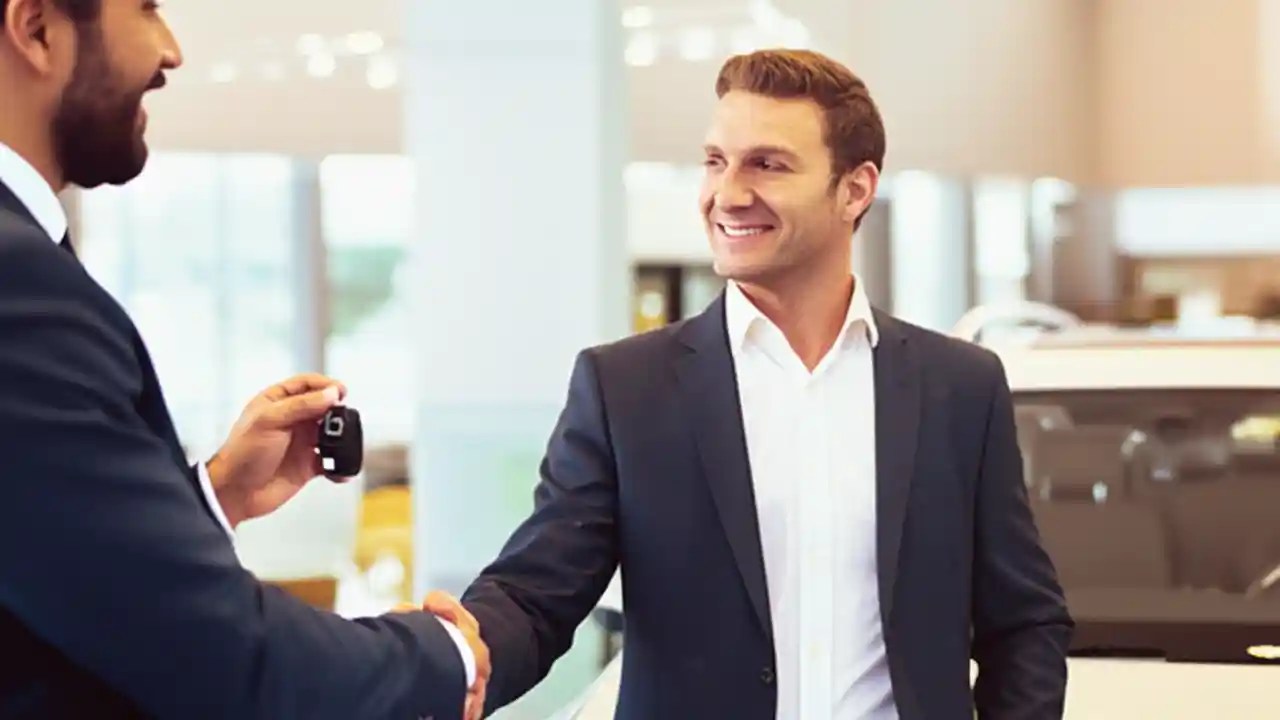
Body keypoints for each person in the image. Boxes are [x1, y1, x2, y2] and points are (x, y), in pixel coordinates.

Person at [426, 49, 1073, 719]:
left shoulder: (958, 388)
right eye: (715, 161)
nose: (727, 194)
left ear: (855, 189)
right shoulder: (627, 389)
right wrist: (455, 656)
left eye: (767, 164)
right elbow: (537, 594)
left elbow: (1023, 622)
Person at [0, 0, 488, 717]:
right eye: (146, 8)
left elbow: (49, 571)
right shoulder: (22, 288)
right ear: (37, 28)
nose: (171, 51)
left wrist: (214, 494)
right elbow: (218, 657)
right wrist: (440, 655)